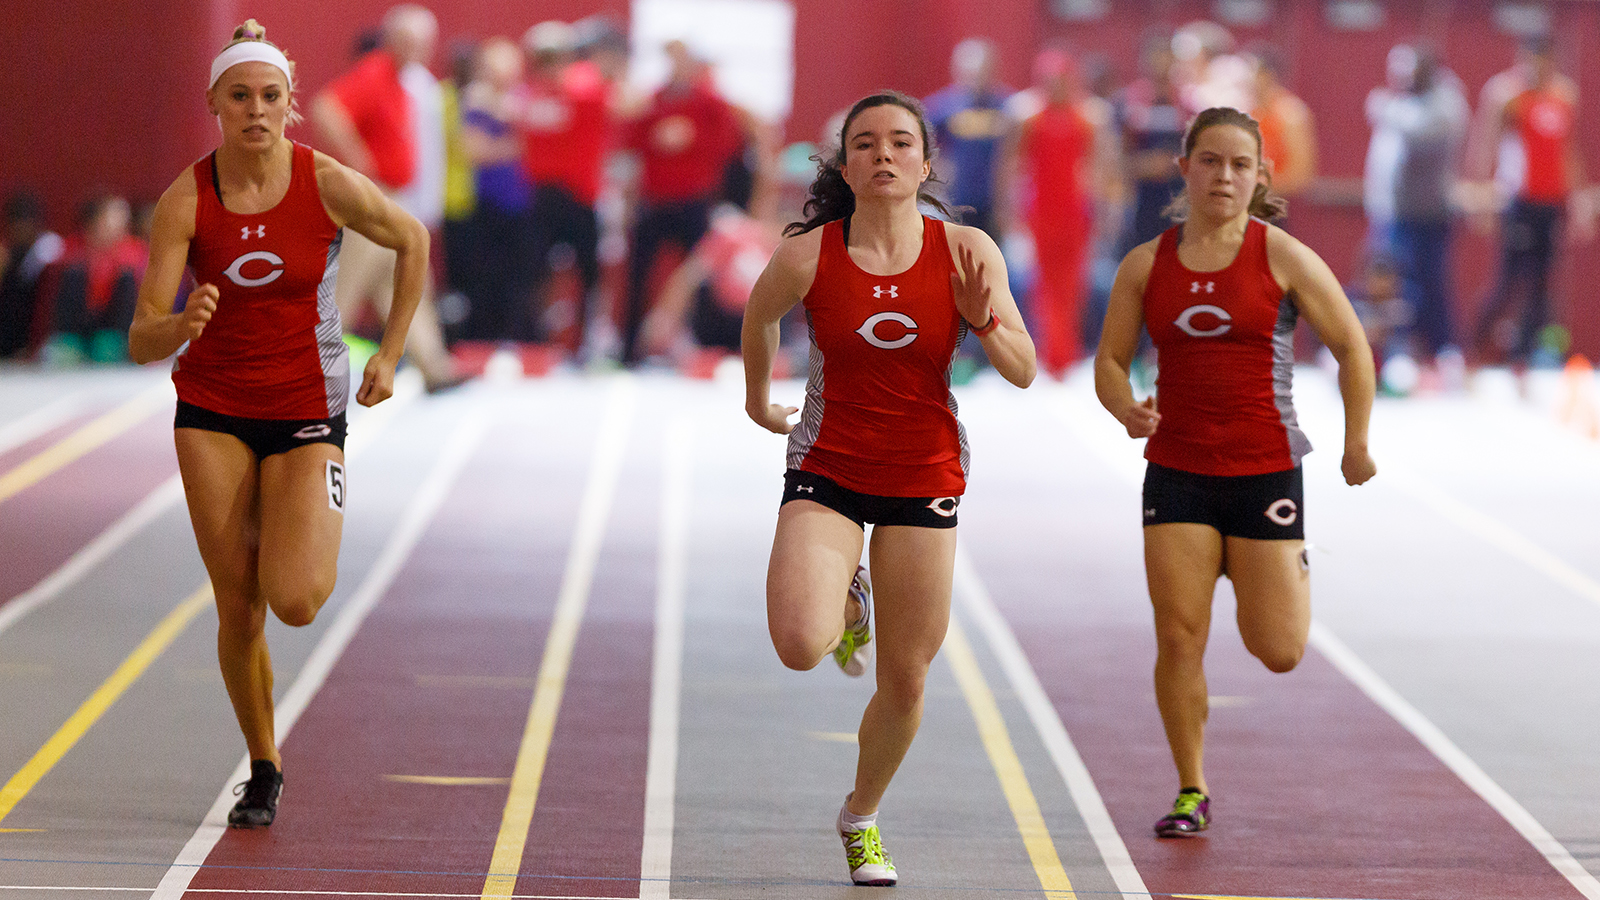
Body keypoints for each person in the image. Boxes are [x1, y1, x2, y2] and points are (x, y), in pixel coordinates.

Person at [127, 20, 428, 828]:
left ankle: (299, 518)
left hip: (305, 406)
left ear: (289, 106)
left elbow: (412, 238)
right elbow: (138, 337)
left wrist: (390, 353)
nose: (256, 110)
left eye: (270, 97)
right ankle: (264, 766)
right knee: (239, 607)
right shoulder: (186, 200)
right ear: (215, 106)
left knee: (293, 598)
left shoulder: (323, 180)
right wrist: (182, 322)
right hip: (214, 412)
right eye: (240, 97)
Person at [741, 91, 1035, 886]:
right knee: (801, 644)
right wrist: (756, 398)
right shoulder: (808, 256)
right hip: (828, 467)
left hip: (923, 474)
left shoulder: (968, 250)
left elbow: (1024, 370)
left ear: (927, 163)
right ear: (845, 165)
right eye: (864, 143)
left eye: (900, 143)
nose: (883, 155)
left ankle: (861, 815)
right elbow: (758, 317)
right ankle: (847, 603)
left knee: (905, 677)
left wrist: (984, 320)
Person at [1093, 107, 1376, 838]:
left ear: (1260, 177)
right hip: (1179, 473)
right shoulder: (1147, 263)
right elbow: (1111, 362)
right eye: (1210, 161)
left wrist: (1356, 443)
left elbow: (1351, 346)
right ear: (1185, 168)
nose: (1224, 176)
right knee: (1179, 637)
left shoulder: (1282, 257)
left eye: (1239, 165)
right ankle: (1192, 787)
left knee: (1278, 650)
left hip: (1264, 472)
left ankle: (1288, 566)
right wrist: (1126, 408)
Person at [311, 5, 460, 391]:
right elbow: (326, 108)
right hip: (373, 198)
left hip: (393, 198)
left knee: (407, 283)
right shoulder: (376, 73)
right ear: (393, 40)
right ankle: (310, 368)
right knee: (347, 287)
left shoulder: (403, 81)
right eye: (411, 41)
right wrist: (360, 161)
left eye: (425, 43)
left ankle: (434, 368)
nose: (420, 49)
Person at [1465, 33, 1593, 370]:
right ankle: (1473, 350)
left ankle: (1522, 358)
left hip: (1550, 202)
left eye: (1548, 60)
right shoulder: (1507, 94)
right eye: (1535, 59)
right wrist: (1481, 192)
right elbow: (1486, 143)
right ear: (1524, 58)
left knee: (1542, 283)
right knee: (1508, 281)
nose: (1542, 67)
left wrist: (1578, 200)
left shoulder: (1564, 95)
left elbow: (1569, 151)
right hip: (1517, 200)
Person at [620, 40, 741, 366]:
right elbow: (632, 142)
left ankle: (703, 347)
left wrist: (690, 137)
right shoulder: (653, 101)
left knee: (701, 277)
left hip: (693, 201)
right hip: (655, 200)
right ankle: (629, 349)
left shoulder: (711, 104)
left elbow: (728, 144)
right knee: (638, 274)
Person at [1362, 44, 1468, 380]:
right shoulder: (1401, 103)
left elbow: (1423, 135)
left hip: (1427, 213)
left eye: (1409, 72)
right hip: (1390, 212)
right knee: (1385, 287)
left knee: (1428, 285)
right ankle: (1392, 353)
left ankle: (1444, 353)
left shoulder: (1446, 101)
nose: (1401, 80)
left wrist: (1384, 109)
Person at [42, 193, 146, 364]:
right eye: (113, 217)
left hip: (114, 332)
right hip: (75, 331)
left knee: (126, 278)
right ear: (92, 223)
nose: (120, 224)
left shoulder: (134, 253)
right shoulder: (71, 254)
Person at [0, 191, 64, 359]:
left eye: (24, 226)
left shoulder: (49, 245)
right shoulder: (8, 252)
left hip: (43, 323)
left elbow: (45, 290)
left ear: (35, 224)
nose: (20, 232)